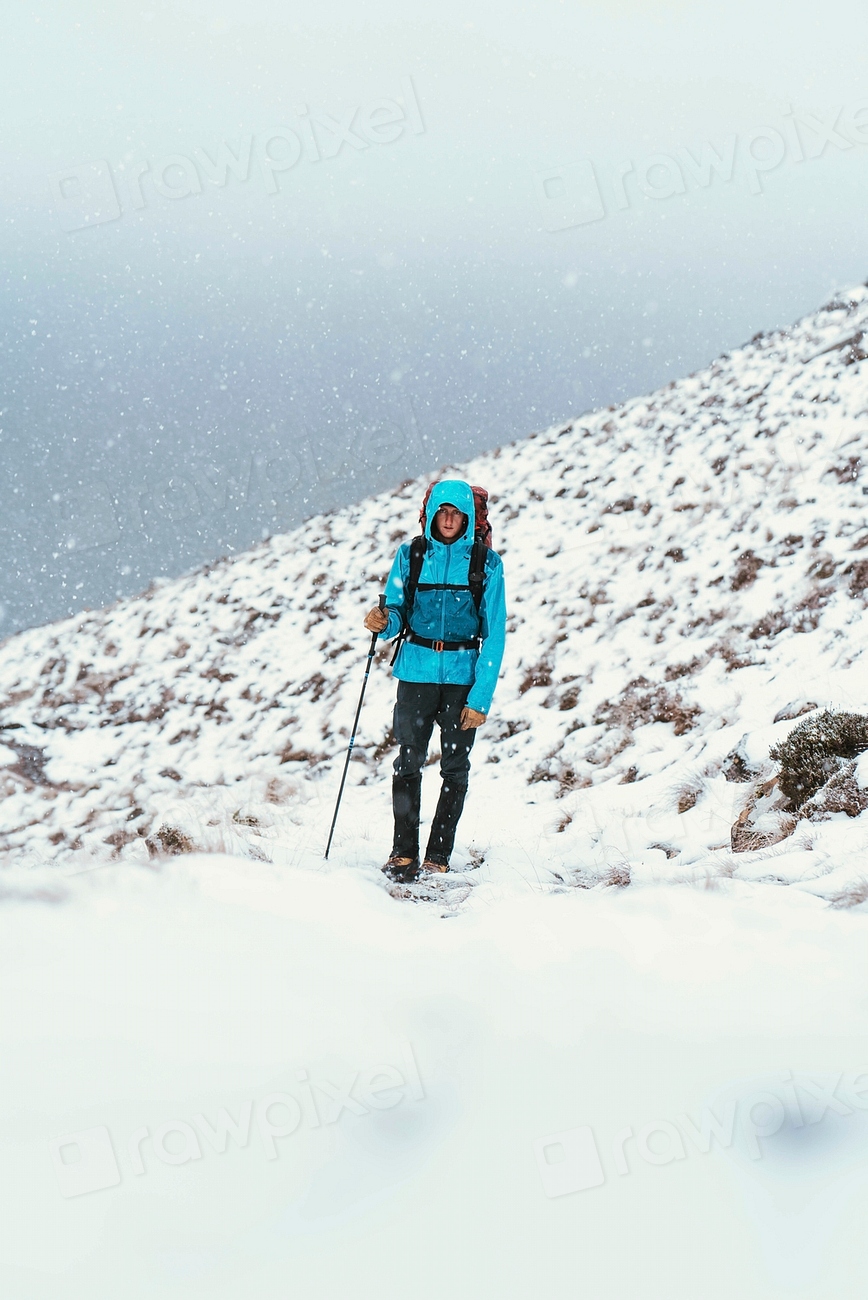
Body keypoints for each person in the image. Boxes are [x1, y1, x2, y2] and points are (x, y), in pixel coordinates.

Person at [363, 479, 507, 880]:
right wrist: (383, 621)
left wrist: (480, 699)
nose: (448, 520)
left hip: (462, 677)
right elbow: (395, 613)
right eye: (442, 512)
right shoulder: (410, 555)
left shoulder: (487, 565)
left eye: (456, 513)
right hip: (415, 673)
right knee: (408, 761)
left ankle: (437, 857)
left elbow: (494, 635)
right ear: (431, 516)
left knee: (454, 767)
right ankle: (402, 854)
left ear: (468, 518)